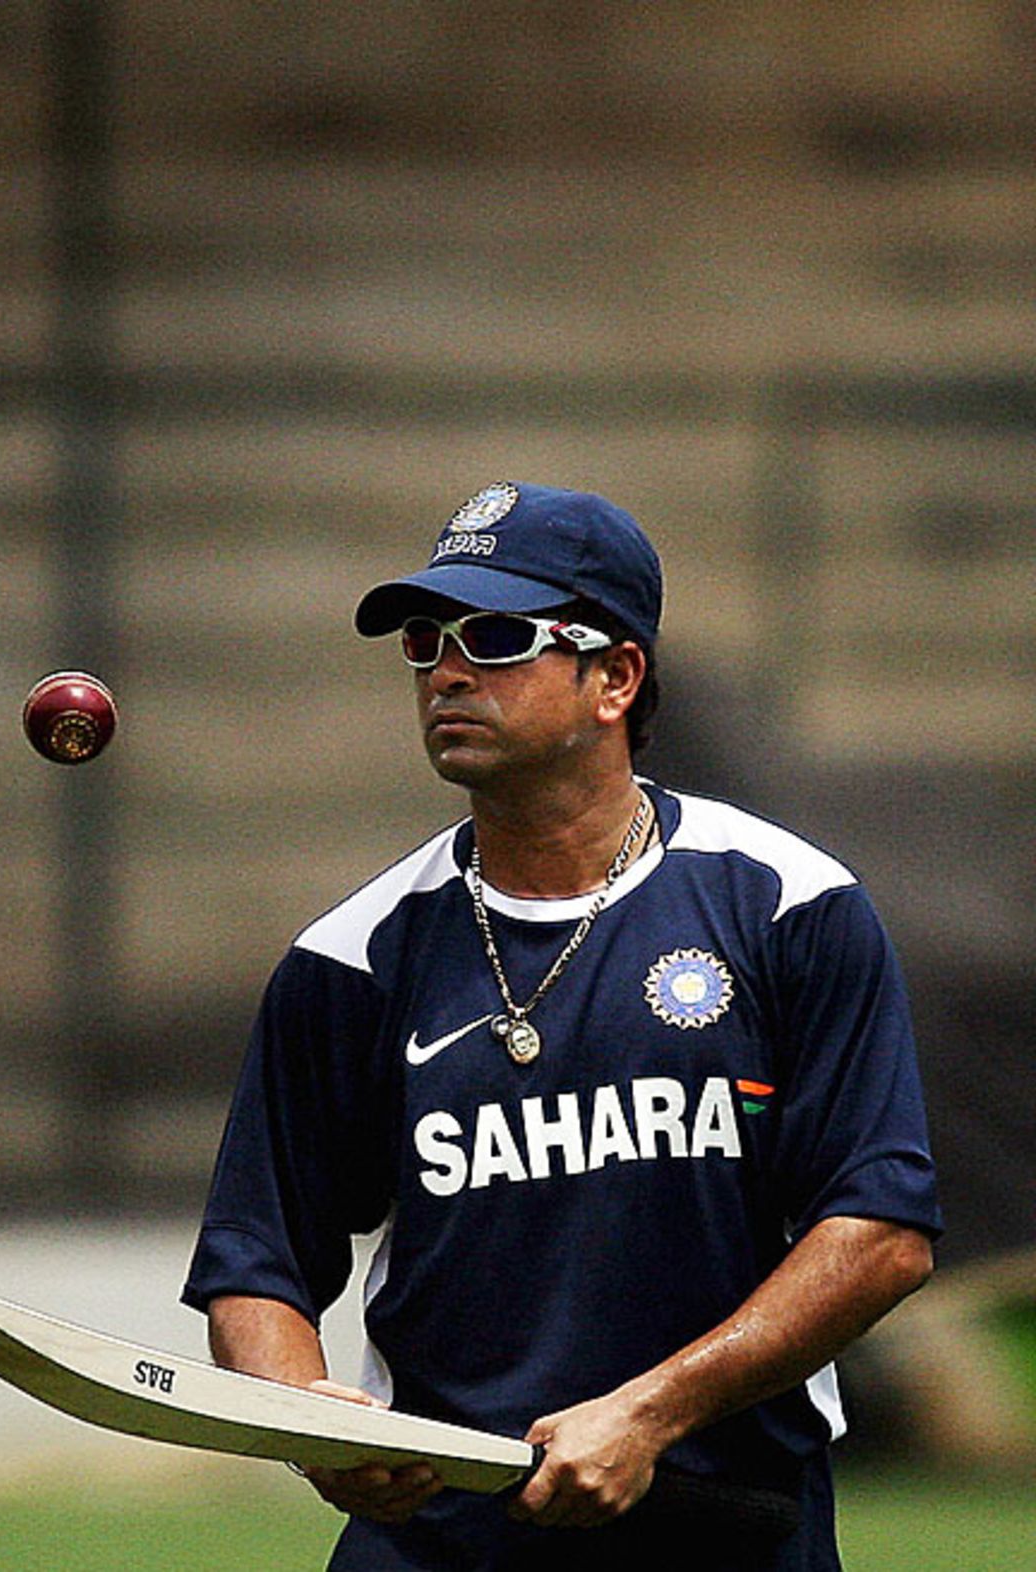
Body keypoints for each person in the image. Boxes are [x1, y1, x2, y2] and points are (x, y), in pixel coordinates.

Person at [183, 481, 941, 1571]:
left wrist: (649, 1413)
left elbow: (881, 1235)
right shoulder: (346, 960)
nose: (447, 670)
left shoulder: (787, 905)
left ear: (616, 677)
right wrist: (316, 1424)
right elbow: (257, 1267)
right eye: (425, 639)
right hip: (441, 1539)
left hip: (725, 1525)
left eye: (495, 637)